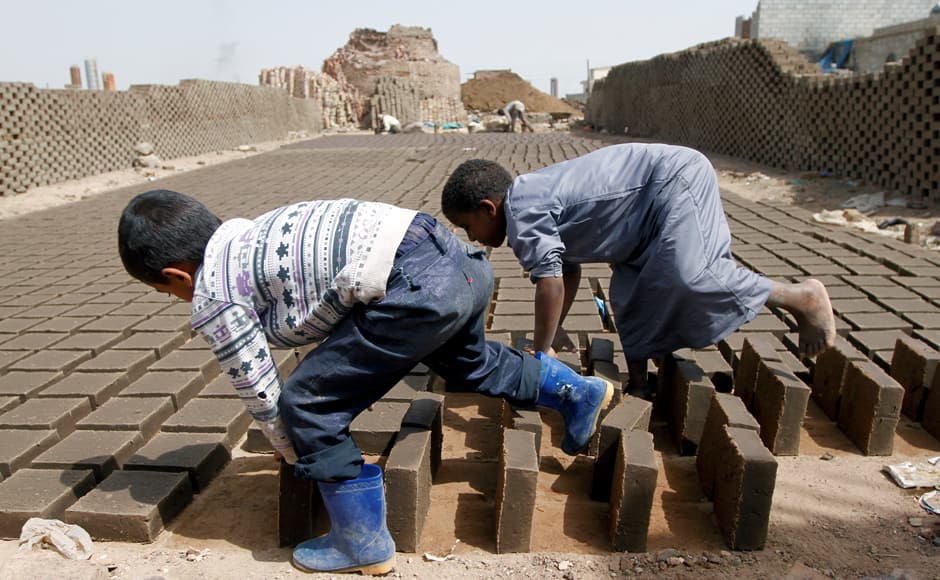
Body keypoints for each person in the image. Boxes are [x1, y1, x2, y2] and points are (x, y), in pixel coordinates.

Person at [117, 190, 613, 575]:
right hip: (455, 262)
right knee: (470, 363)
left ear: (176, 276)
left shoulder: (213, 293)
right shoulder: (245, 237)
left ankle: (360, 541)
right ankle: (577, 392)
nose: (175, 299)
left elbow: (260, 390)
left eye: (165, 292)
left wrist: (297, 449)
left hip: (412, 287)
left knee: (305, 403)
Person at [440, 143, 836, 401]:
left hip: (672, 182)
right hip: (635, 226)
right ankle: (642, 387)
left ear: (489, 209)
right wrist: (556, 325)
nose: (470, 237)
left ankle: (801, 297)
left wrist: (542, 352)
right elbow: (568, 271)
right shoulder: (527, 201)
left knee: (691, 275)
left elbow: (551, 281)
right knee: (629, 297)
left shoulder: (521, 209)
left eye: (466, 226)